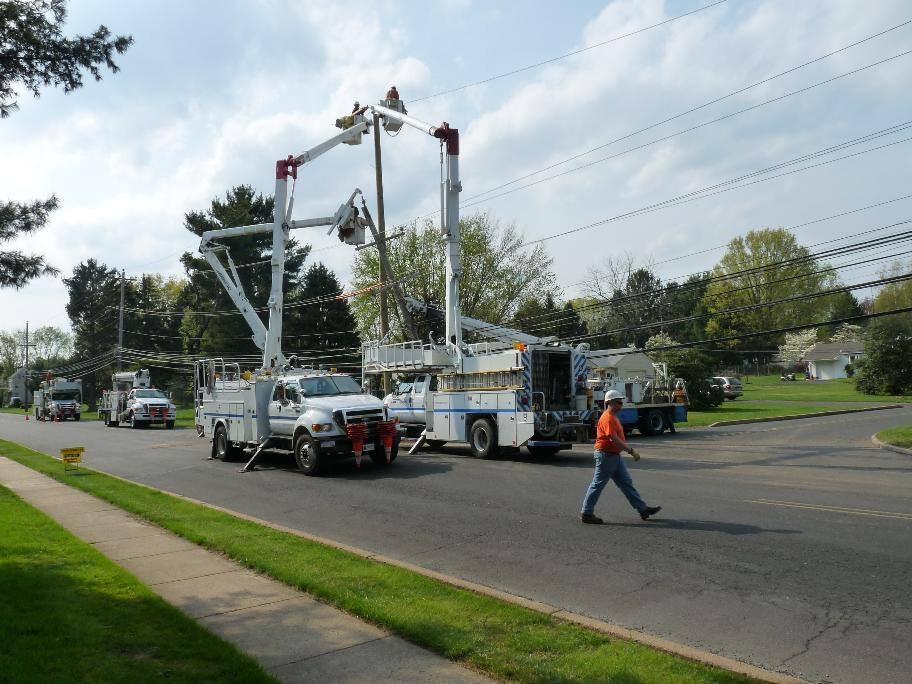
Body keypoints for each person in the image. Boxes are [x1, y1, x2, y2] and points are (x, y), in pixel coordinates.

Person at [580, 390, 662, 524]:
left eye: (621, 402)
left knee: (626, 483)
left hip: (614, 456)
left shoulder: (613, 416)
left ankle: (643, 509)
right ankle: (587, 513)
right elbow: (613, 438)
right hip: (606, 455)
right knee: (597, 484)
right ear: (609, 402)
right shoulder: (608, 418)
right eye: (618, 402)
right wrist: (631, 451)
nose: (621, 404)